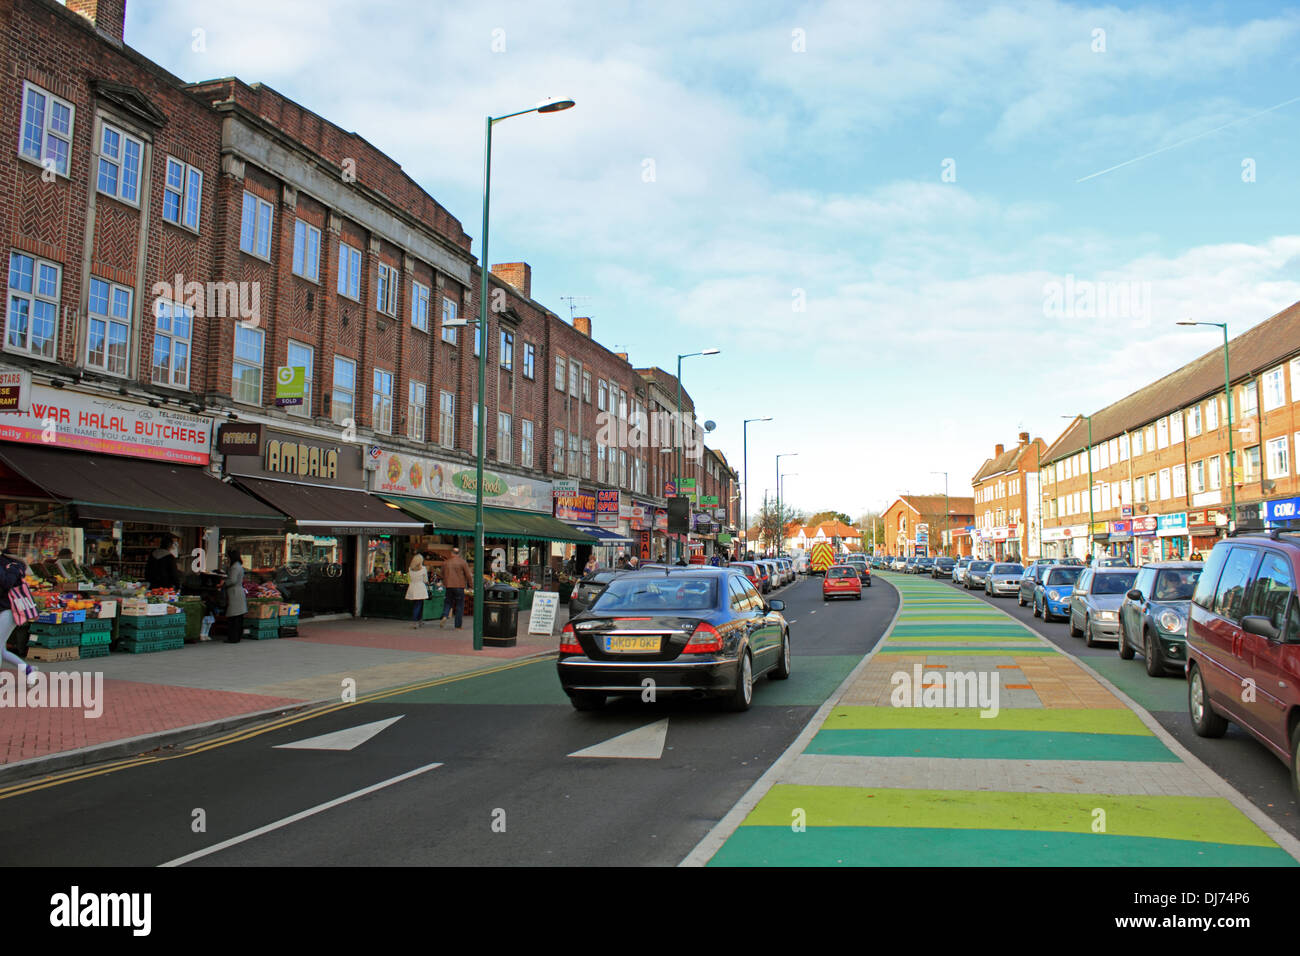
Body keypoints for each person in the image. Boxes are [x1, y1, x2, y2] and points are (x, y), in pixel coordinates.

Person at [0, 550, 38, 688]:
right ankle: (29, 670)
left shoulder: (13, 566)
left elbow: (6, 583)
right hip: (4, 609)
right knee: (2, 650)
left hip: (8, 610)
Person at [439, 546, 471, 629]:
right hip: (459, 586)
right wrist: (471, 585)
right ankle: (458, 625)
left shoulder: (446, 562)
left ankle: (445, 615)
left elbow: (441, 574)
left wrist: (444, 582)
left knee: (448, 602)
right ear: (459, 554)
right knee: (459, 605)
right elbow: (468, 575)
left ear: (451, 553)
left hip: (449, 586)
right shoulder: (462, 562)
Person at [222, 548, 247, 643]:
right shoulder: (239, 566)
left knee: (233, 617)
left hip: (234, 593)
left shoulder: (234, 567)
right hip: (238, 592)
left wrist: (224, 583)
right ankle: (236, 637)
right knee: (238, 617)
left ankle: (233, 637)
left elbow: (232, 580)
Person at [406, 553, 429, 628]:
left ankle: (418, 620)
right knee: (419, 605)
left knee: (415, 604)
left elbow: (409, 578)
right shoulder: (423, 569)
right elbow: (425, 580)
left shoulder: (410, 569)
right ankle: (417, 621)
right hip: (420, 587)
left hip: (412, 586)